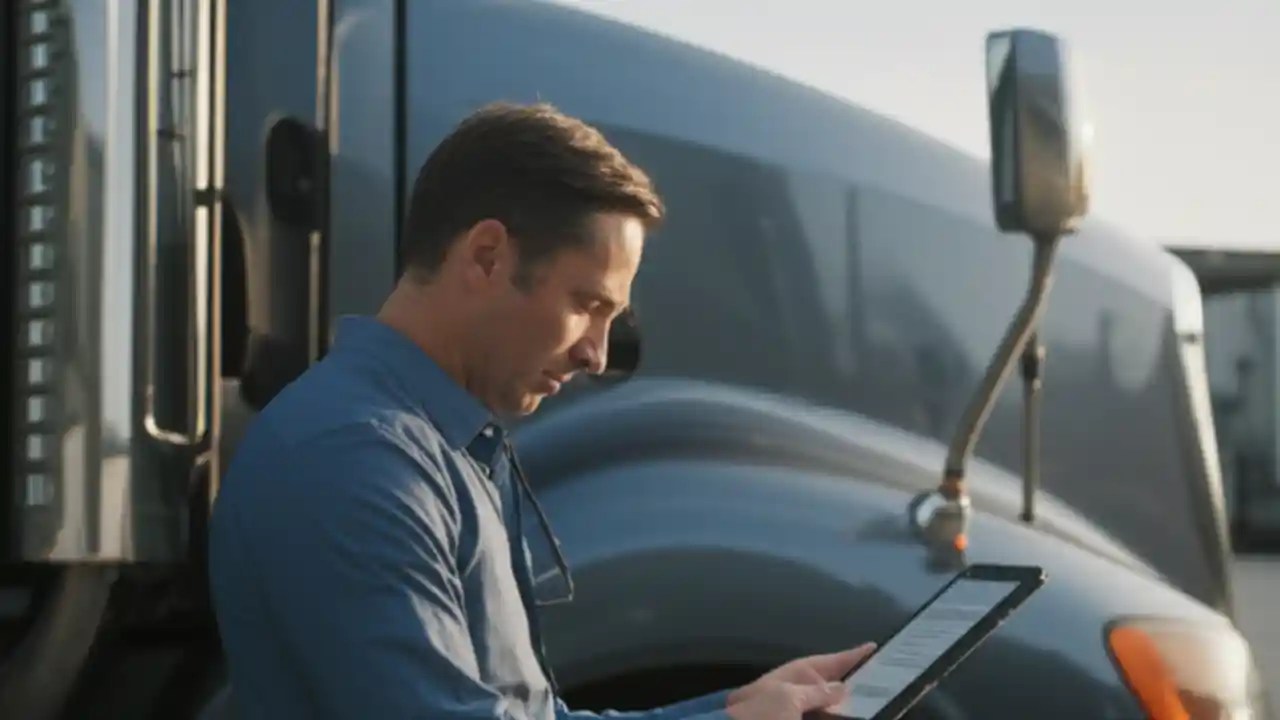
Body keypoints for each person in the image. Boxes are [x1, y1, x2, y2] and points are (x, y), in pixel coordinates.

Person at [207, 102, 875, 720]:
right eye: (588, 304)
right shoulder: (355, 461)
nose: (596, 353)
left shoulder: (426, 447)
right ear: (487, 256)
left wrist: (735, 711)